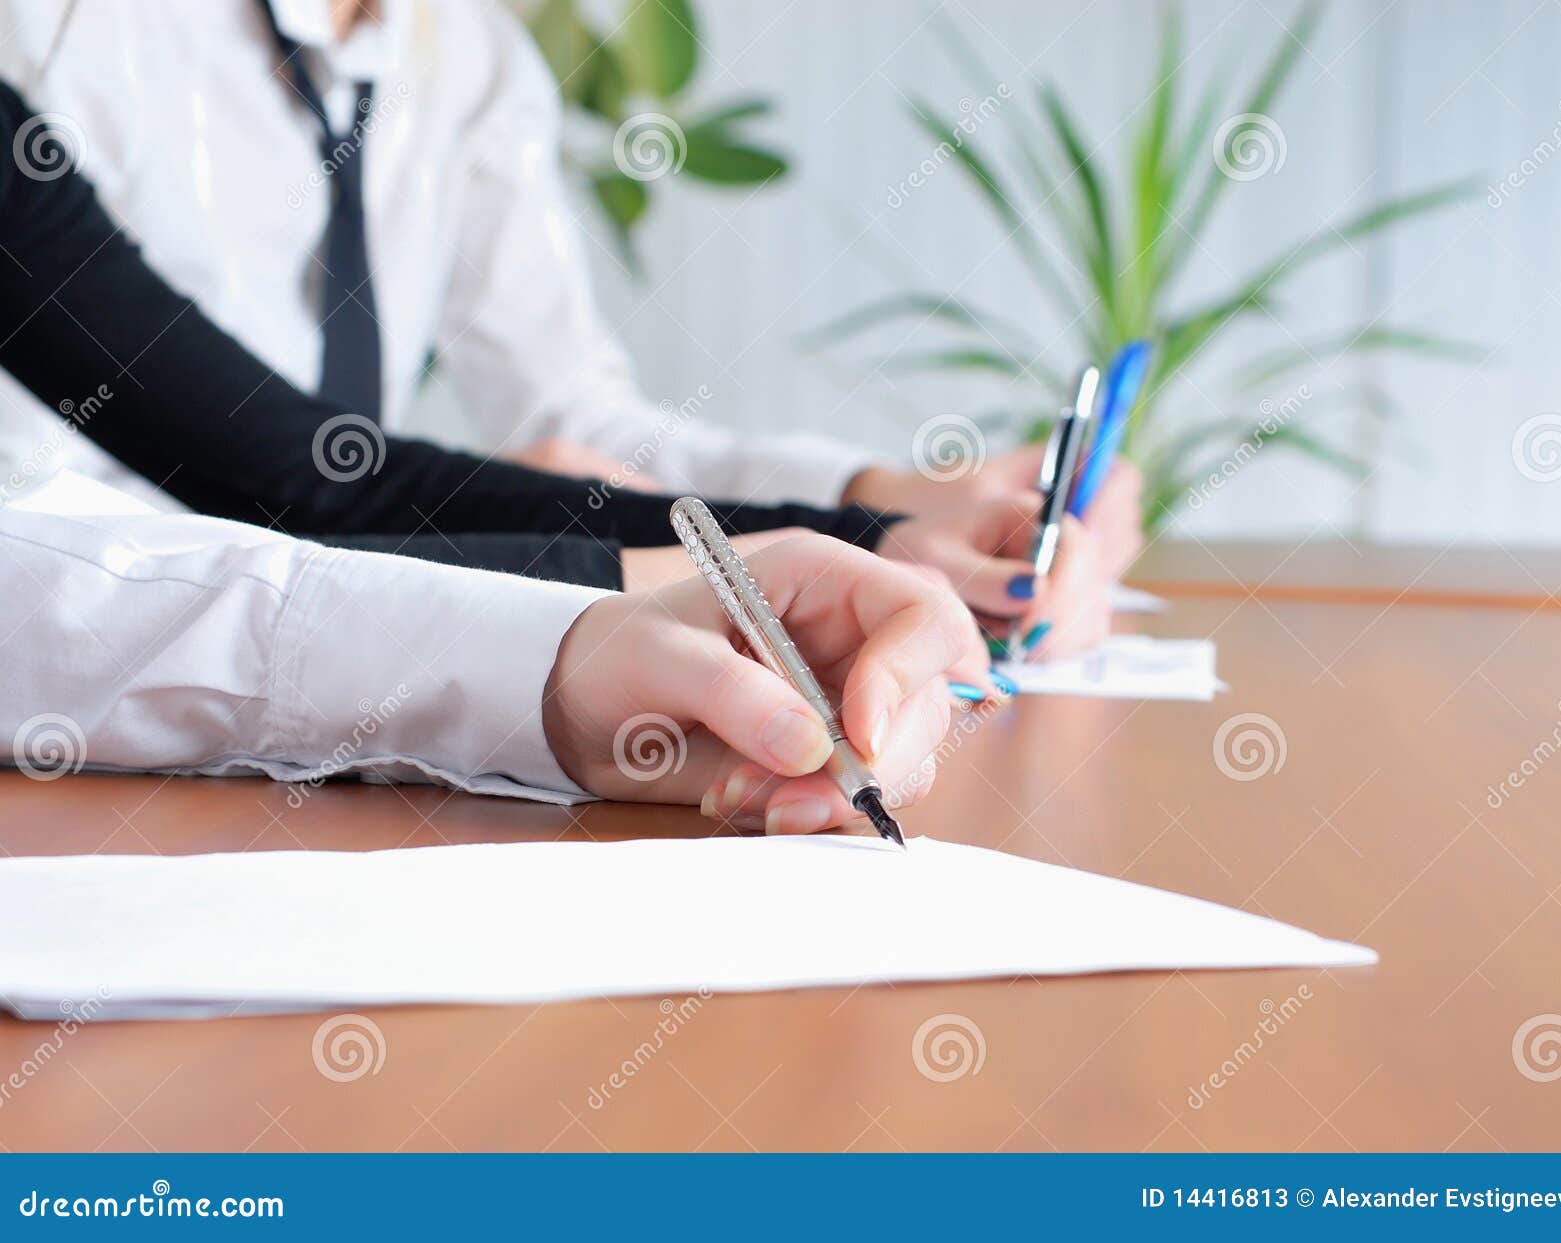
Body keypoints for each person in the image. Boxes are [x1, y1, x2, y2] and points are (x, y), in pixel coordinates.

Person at [0, 0, 1139, 647]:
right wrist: (571, 571)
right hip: (142, 664)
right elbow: (57, 546)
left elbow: (357, 478)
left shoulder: (466, 53)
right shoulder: (66, 38)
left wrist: (878, 510)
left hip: (330, 629)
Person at [2, 470, 987, 836]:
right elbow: (290, 458)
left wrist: (559, 670)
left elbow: (356, 467)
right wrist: (561, 642)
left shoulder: (459, 72)